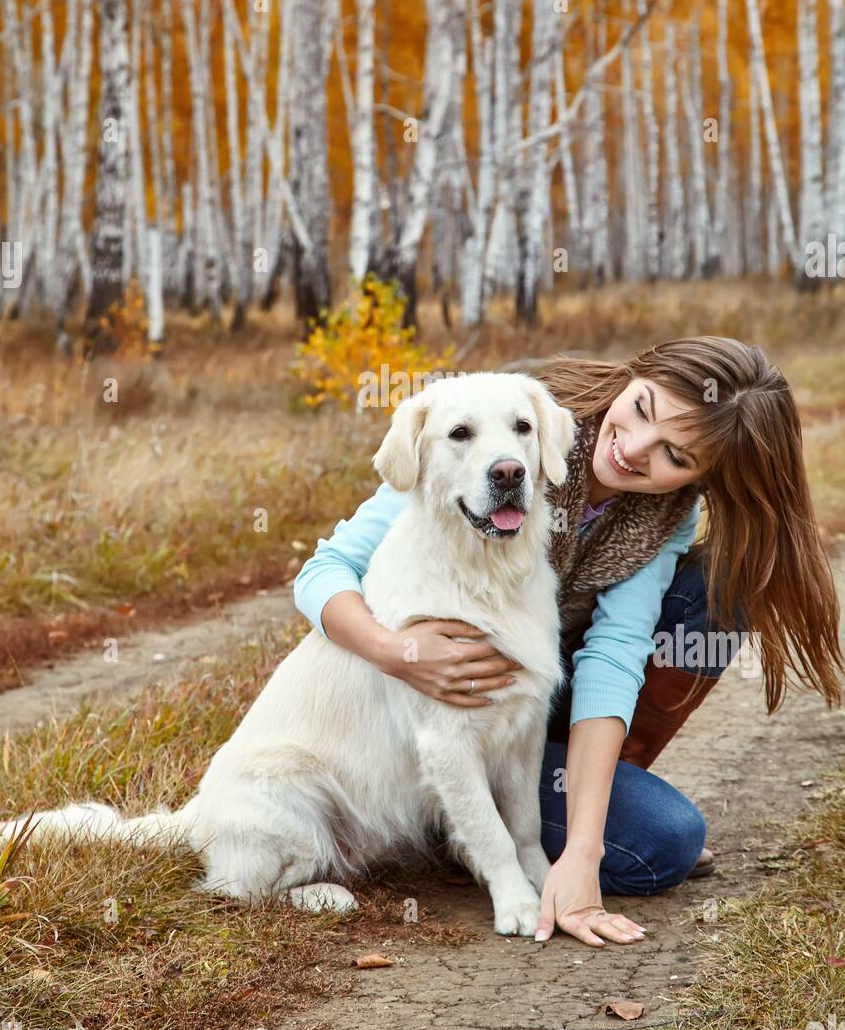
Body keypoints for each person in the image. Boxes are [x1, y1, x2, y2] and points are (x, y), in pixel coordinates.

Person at [293, 337, 843, 948]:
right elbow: (323, 571)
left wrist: (584, 849)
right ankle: (478, 820)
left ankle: (567, 803)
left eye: (675, 455)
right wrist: (397, 653)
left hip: (542, 701)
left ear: (703, 478)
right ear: (633, 377)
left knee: (723, 601)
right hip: (444, 697)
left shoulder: (666, 513)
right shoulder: (498, 424)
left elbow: (614, 655)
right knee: (663, 841)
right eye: (642, 409)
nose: (633, 449)